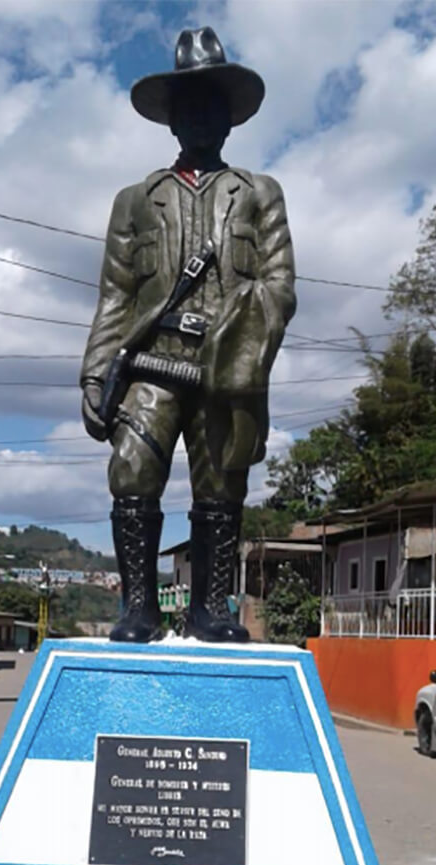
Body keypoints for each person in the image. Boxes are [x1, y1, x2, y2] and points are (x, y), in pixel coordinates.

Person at [81, 26, 296, 644]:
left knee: (223, 483)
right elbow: (116, 294)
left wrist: (241, 326)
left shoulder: (259, 195)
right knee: (131, 469)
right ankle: (139, 609)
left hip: (226, 369)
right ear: (171, 121)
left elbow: (281, 284)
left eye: (212, 105)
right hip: (153, 360)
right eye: (188, 106)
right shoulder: (136, 201)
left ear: (229, 119)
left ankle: (211, 609)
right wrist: (97, 372)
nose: (201, 118)